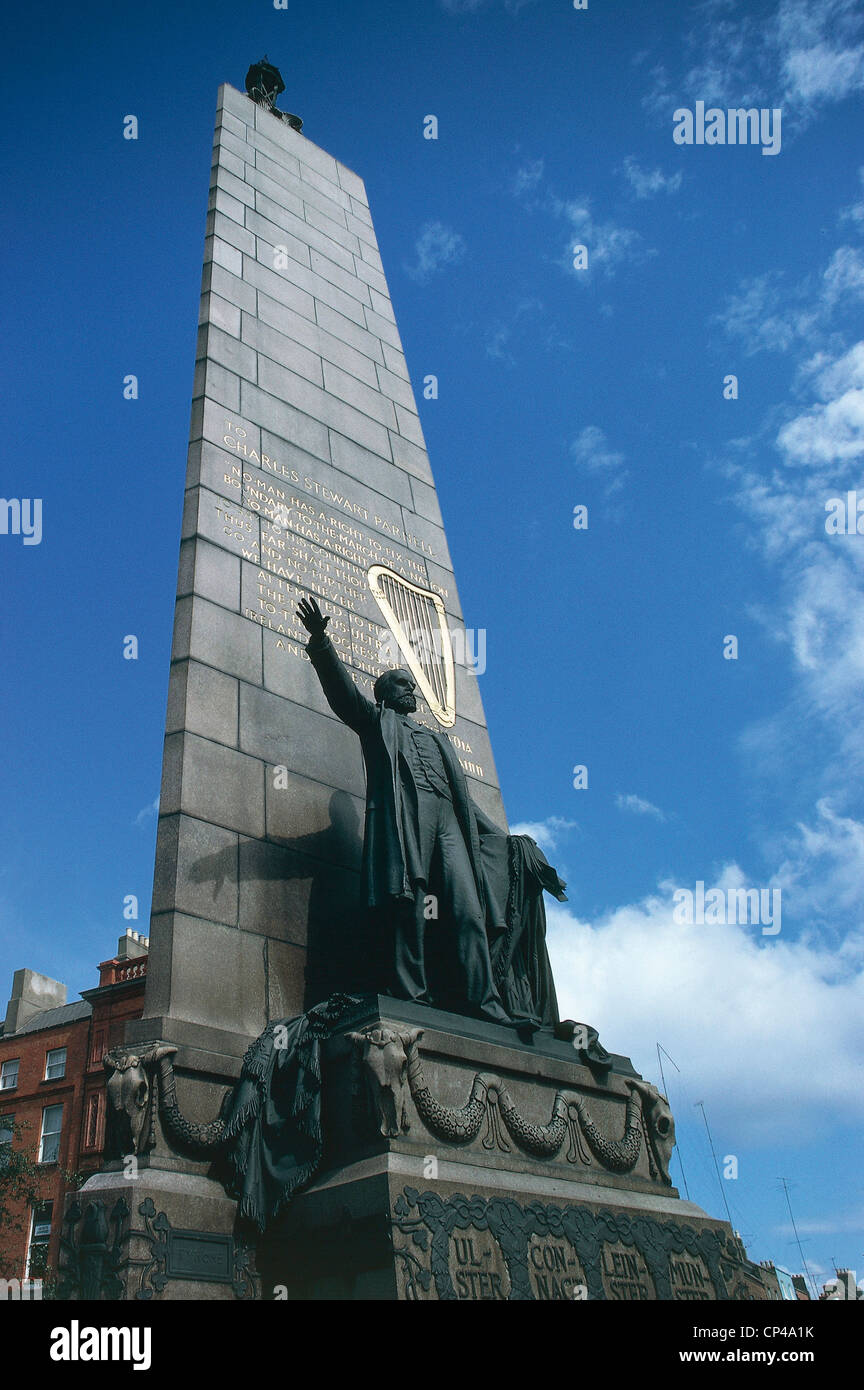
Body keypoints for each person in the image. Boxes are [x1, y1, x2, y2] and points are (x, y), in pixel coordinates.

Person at [297, 595, 510, 1025]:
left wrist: (506, 842)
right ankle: (411, 993)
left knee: (467, 909)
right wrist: (321, 643)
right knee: (410, 905)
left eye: (411, 684)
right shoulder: (378, 723)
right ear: (386, 695)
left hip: (449, 820)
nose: (413, 689)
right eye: (402, 684)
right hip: (408, 823)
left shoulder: (438, 741)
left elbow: (466, 803)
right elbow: (343, 696)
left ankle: (482, 1001)